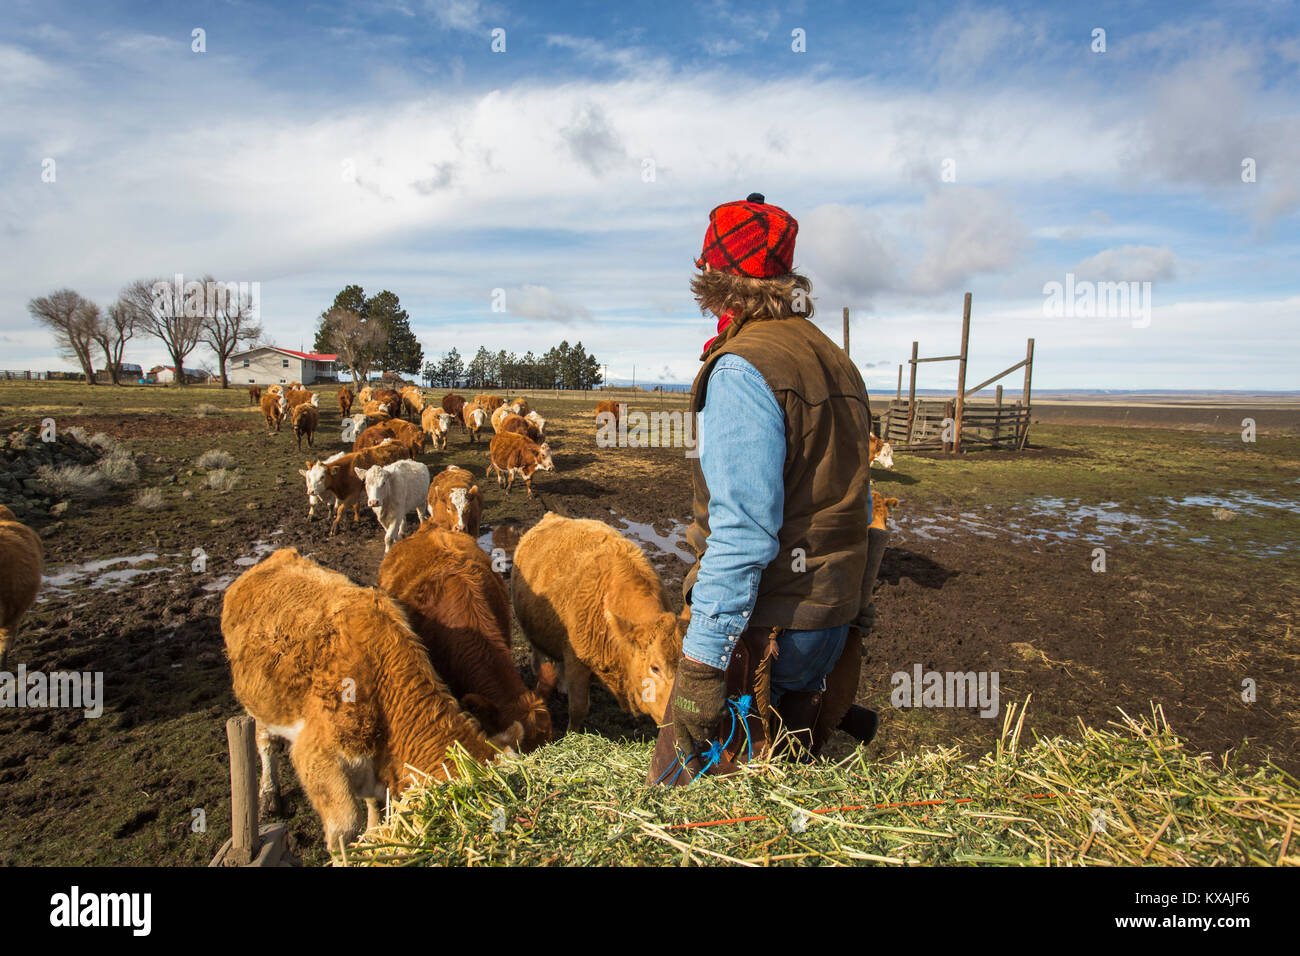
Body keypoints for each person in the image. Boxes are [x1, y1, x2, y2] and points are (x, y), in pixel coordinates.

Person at [648, 194, 887, 784]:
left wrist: (703, 664)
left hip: (769, 628)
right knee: (784, 790)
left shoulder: (741, 368)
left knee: (692, 796)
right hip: (829, 615)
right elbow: (853, 494)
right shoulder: (835, 359)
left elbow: (743, 535)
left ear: (714, 277)